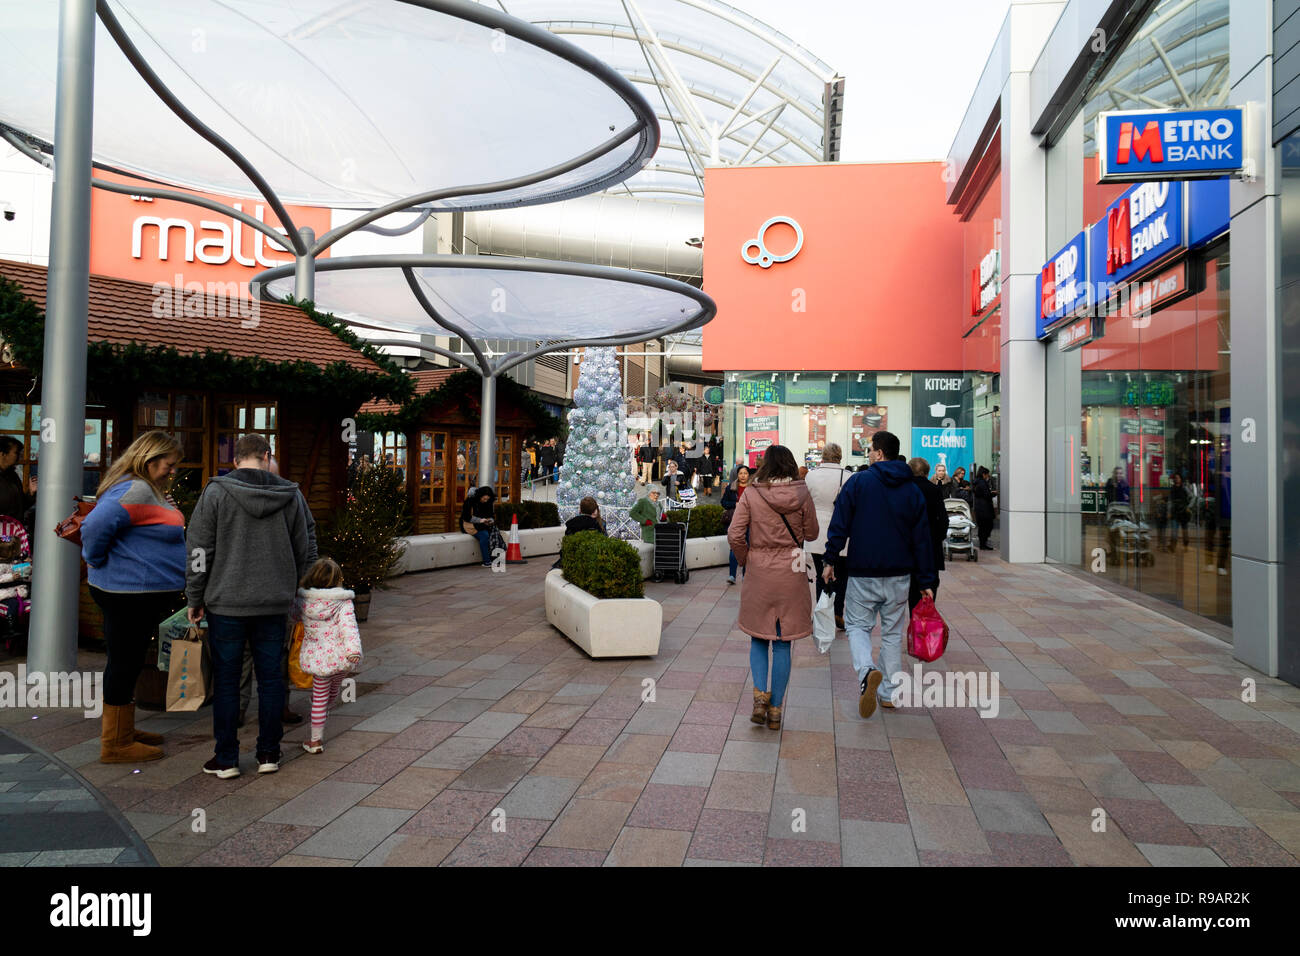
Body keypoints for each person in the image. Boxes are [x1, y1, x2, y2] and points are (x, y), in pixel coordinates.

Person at [187, 433, 311, 779]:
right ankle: (268, 754)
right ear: (267, 455)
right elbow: (304, 547)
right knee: (271, 679)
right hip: (274, 603)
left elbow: (199, 551)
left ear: (235, 460)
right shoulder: (290, 494)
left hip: (226, 602)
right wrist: (291, 586)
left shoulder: (215, 492)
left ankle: (226, 759)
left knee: (227, 680)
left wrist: (195, 597)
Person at [81, 431, 187, 764]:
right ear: (151, 459)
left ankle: (123, 730)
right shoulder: (136, 487)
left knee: (127, 660)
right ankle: (115, 744)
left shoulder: (145, 488)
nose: (172, 471)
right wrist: (94, 558)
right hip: (128, 593)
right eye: (169, 465)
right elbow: (94, 526)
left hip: (135, 592)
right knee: (125, 662)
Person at [823, 431, 936, 719]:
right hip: (900, 575)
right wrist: (926, 580)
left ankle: (866, 671)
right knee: (892, 633)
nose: (869, 454)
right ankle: (888, 694)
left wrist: (830, 558)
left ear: (880, 453)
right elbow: (923, 538)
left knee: (858, 627)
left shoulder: (859, 482)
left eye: (871, 450)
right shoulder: (913, 490)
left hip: (863, 571)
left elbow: (840, 523)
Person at [727, 445, 817, 732]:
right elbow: (813, 533)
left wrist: (745, 560)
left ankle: (758, 699)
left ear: (765, 465)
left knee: (757, 636)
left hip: (760, 568)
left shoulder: (752, 493)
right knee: (782, 641)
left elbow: (734, 534)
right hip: (792, 567)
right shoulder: (802, 493)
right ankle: (776, 710)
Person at [295, 558, 362, 754]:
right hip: (341, 657)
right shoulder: (342, 602)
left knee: (320, 696)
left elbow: (292, 615)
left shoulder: (302, 601)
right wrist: (353, 651)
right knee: (334, 691)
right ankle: (322, 706)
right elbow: (349, 628)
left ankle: (315, 741)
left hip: (317, 657)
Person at [805, 443, 851, 630]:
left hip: (817, 533)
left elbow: (805, 503)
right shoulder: (849, 477)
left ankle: (821, 613)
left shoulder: (811, 476)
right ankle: (838, 612)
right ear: (840, 457)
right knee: (841, 576)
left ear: (822, 457)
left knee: (820, 574)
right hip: (842, 535)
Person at [908, 457, 949, 610]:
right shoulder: (934, 489)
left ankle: (914, 620)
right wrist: (938, 537)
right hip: (931, 546)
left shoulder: (906, 489)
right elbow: (943, 519)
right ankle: (924, 623)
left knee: (912, 590)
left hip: (909, 547)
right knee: (930, 589)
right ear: (927, 472)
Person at [721, 465, 751, 584]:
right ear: (737, 475)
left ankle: (745, 575)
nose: (743, 476)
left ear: (749, 475)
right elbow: (723, 502)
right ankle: (732, 575)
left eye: (745, 473)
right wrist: (735, 504)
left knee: (748, 548)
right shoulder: (731, 488)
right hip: (734, 522)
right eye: (741, 473)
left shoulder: (753, 488)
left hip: (750, 523)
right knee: (734, 548)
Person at [461, 485, 498, 567]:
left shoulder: (489, 502)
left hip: (483, 525)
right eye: (484, 499)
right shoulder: (469, 501)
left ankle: (494, 558)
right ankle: (487, 561)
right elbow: (466, 517)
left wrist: (490, 520)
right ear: (479, 496)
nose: (485, 501)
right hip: (469, 525)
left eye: (487, 499)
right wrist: (480, 520)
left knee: (494, 534)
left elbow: (491, 515)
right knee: (484, 535)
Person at [0, 437, 27, 521]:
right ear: (3, 454)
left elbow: (20, 506)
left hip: (13, 530)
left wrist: (31, 494)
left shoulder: (13, 475)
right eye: (16, 453)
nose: (19, 457)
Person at [973, 466, 996, 550]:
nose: (988, 477)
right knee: (987, 526)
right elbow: (986, 494)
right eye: (987, 475)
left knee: (982, 526)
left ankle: (982, 543)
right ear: (984, 474)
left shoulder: (976, 482)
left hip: (979, 507)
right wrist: (993, 493)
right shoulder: (982, 482)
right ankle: (983, 544)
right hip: (985, 508)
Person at [1166, 473, 1190, 551]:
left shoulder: (1184, 488)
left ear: (1181, 479)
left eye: (1178, 478)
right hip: (1175, 511)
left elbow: (1191, 497)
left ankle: (1185, 545)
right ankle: (1173, 546)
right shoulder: (1172, 489)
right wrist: (1169, 512)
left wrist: (1188, 507)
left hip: (1183, 511)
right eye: (1175, 478)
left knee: (1185, 530)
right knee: (1174, 530)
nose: (1176, 479)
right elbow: (1170, 501)